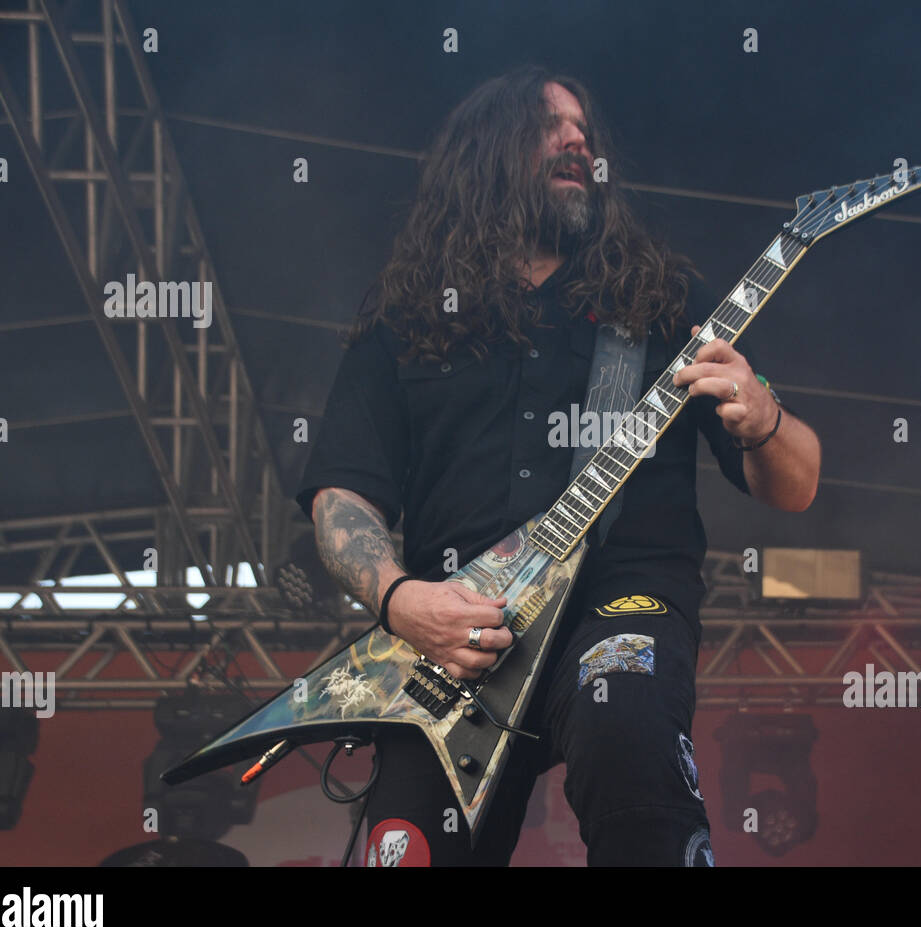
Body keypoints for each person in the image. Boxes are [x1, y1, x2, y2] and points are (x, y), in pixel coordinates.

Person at [296, 65, 821, 866]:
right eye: (548, 126)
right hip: (454, 635)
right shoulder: (409, 313)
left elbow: (798, 483)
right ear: (484, 152)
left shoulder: (659, 299)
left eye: (583, 130)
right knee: (407, 848)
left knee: (626, 730)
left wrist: (764, 418)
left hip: (620, 602)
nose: (576, 140)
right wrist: (404, 602)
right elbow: (342, 497)